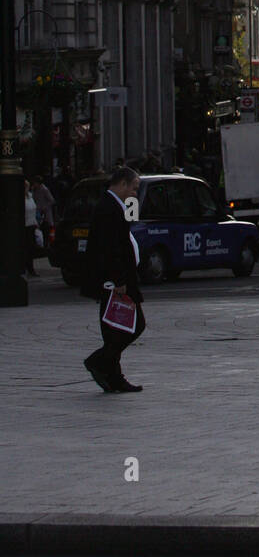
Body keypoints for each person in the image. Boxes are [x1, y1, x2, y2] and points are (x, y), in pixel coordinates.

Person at [80, 165, 146, 393]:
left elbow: (131, 226)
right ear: (122, 184)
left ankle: (114, 377)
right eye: (134, 188)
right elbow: (109, 248)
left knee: (115, 329)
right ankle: (98, 361)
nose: (135, 194)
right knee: (134, 325)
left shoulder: (117, 205)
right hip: (115, 280)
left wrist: (131, 204)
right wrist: (118, 279)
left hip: (120, 277)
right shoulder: (107, 208)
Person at [23, 179, 39, 277]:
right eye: (25, 186)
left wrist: (36, 222)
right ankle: (26, 268)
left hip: (31, 225)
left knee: (31, 249)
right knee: (26, 249)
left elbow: (33, 209)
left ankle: (30, 268)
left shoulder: (30, 197)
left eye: (27, 186)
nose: (27, 188)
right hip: (25, 226)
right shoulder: (21, 198)